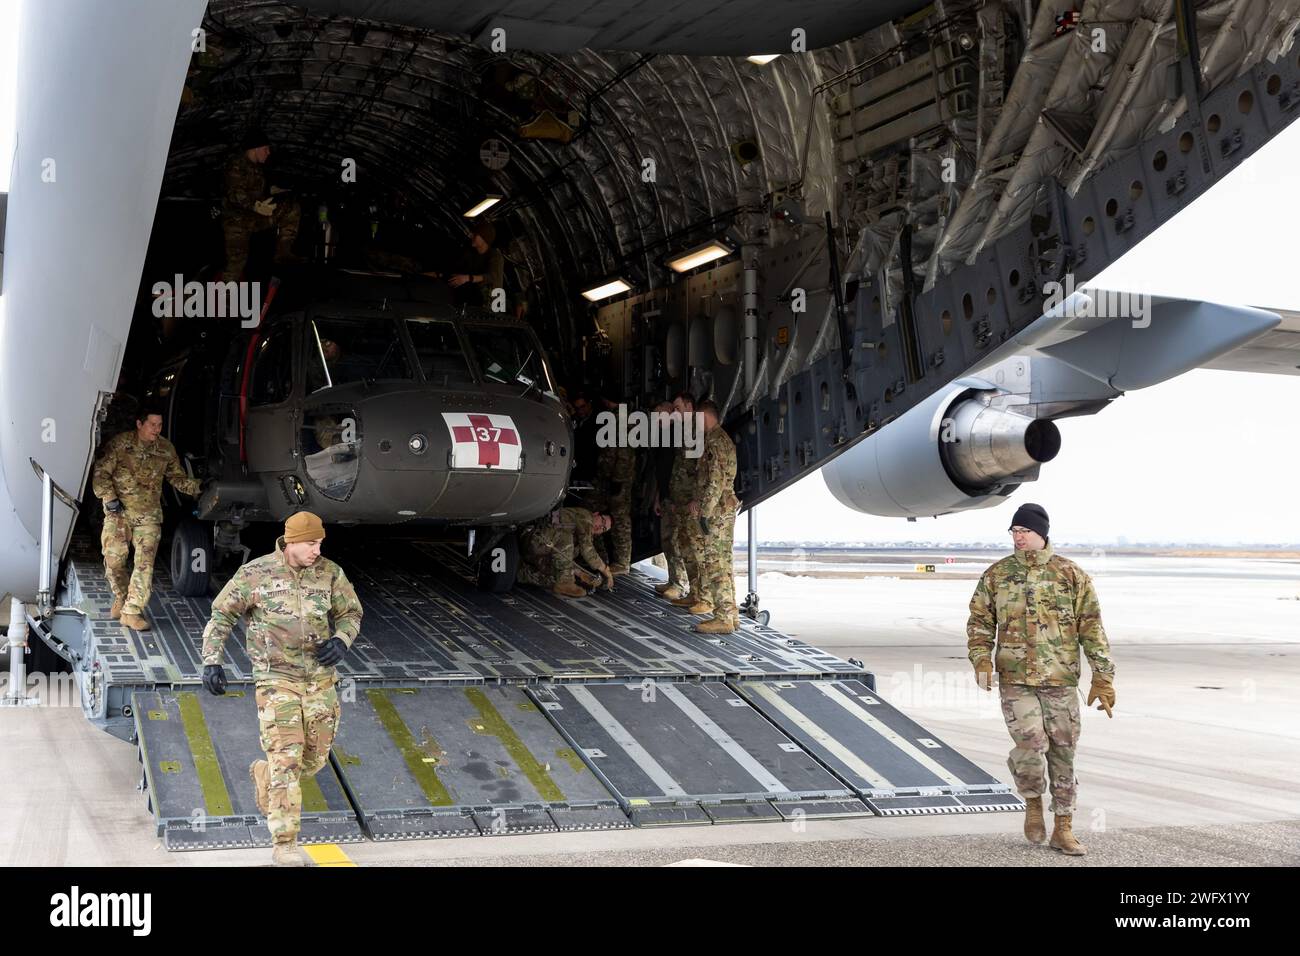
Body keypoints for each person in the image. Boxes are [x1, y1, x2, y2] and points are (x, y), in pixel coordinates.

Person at [199, 511, 363, 867]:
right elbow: (221, 616)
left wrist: (342, 639)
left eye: (320, 543)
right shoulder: (255, 574)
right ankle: (285, 844)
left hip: (320, 681)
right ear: (290, 542)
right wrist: (212, 660)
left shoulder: (330, 573)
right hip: (277, 682)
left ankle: (266, 775)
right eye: (310, 544)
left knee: (316, 758)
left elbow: (351, 613)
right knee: (286, 762)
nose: (316, 550)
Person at [966, 503, 1116, 856]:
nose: (1018, 537)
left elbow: (1092, 628)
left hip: (1060, 680)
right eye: (1014, 531)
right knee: (1031, 746)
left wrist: (1104, 677)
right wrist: (980, 659)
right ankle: (1033, 805)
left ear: (1041, 533)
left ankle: (1063, 828)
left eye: (1024, 531)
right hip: (1016, 680)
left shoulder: (1070, 574)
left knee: (1063, 753)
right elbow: (979, 621)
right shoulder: (997, 575)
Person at [91, 404, 203, 631]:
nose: (157, 429)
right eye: (152, 424)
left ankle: (132, 611)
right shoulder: (120, 444)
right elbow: (101, 473)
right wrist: (109, 497)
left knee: (144, 564)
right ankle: (121, 597)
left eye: (160, 424)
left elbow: (176, 478)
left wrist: (199, 487)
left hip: (149, 516)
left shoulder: (165, 449)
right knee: (114, 561)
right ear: (139, 424)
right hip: (118, 513)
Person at [688, 400, 740, 633]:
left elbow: (715, 482)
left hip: (717, 511)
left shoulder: (714, 442)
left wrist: (704, 514)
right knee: (725, 562)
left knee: (715, 563)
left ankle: (723, 618)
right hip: (725, 508)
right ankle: (731, 613)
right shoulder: (722, 439)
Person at [223, 128, 302, 280]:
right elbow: (234, 194)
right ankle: (225, 300)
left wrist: (276, 191)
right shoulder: (236, 165)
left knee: (291, 207)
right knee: (236, 265)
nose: (268, 152)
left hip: (254, 218)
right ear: (256, 148)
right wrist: (256, 206)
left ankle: (283, 251)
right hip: (237, 222)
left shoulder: (257, 169)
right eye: (266, 149)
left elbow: (257, 191)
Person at [517, 506, 614, 597]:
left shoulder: (579, 539)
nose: (600, 527)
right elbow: (587, 550)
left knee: (557, 576)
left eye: (603, 529)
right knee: (565, 535)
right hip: (534, 539)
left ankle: (522, 573)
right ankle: (565, 582)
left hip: (538, 552)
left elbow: (565, 559)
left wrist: (581, 574)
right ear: (596, 514)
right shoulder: (585, 516)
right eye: (602, 521)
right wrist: (606, 570)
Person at [665, 392, 704, 607]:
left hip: (690, 501)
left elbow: (701, 471)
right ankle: (693, 592)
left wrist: (696, 499)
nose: (674, 412)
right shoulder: (683, 431)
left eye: (677, 408)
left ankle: (699, 595)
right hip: (679, 499)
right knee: (682, 544)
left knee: (693, 547)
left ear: (689, 406)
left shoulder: (698, 432)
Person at [648, 401, 689, 597]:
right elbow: (660, 471)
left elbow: (680, 472)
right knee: (666, 541)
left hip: (675, 498)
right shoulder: (661, 437)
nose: (656, 417)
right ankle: (673, 580)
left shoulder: (678, 435)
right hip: (665, 496)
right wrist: (658, 497)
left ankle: (680, 585)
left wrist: (675, 499)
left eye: (659, 413)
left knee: (675, 541)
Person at [433, 221, 505, 311]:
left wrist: (467, 278)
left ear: (484, 238)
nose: (471, 236)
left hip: (494, 301)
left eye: (475, 234)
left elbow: (492, 277)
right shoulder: (470, 253)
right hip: (476, 299)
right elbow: (456, 269)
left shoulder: (495, 255)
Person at [594, 441, 636, 574]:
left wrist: (618, 479)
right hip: (605, 474)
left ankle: (622, 562)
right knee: (595, 512)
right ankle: (599, 558)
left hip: (619, 479)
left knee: (620, 517)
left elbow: (625, 452)